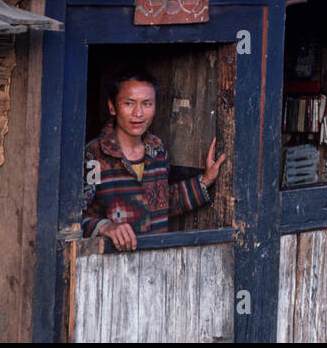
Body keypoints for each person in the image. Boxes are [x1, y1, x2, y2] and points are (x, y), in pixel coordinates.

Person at [82, 68, 227, 251]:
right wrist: (106, 227)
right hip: (108, 269)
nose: (139, 113)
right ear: (112, 107)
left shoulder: (157, 150)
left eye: (147, 104)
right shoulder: (95, 155)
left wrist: (206, 180)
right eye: (129, 103)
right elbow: (73, 218)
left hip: (155, 263)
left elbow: (164, 203)